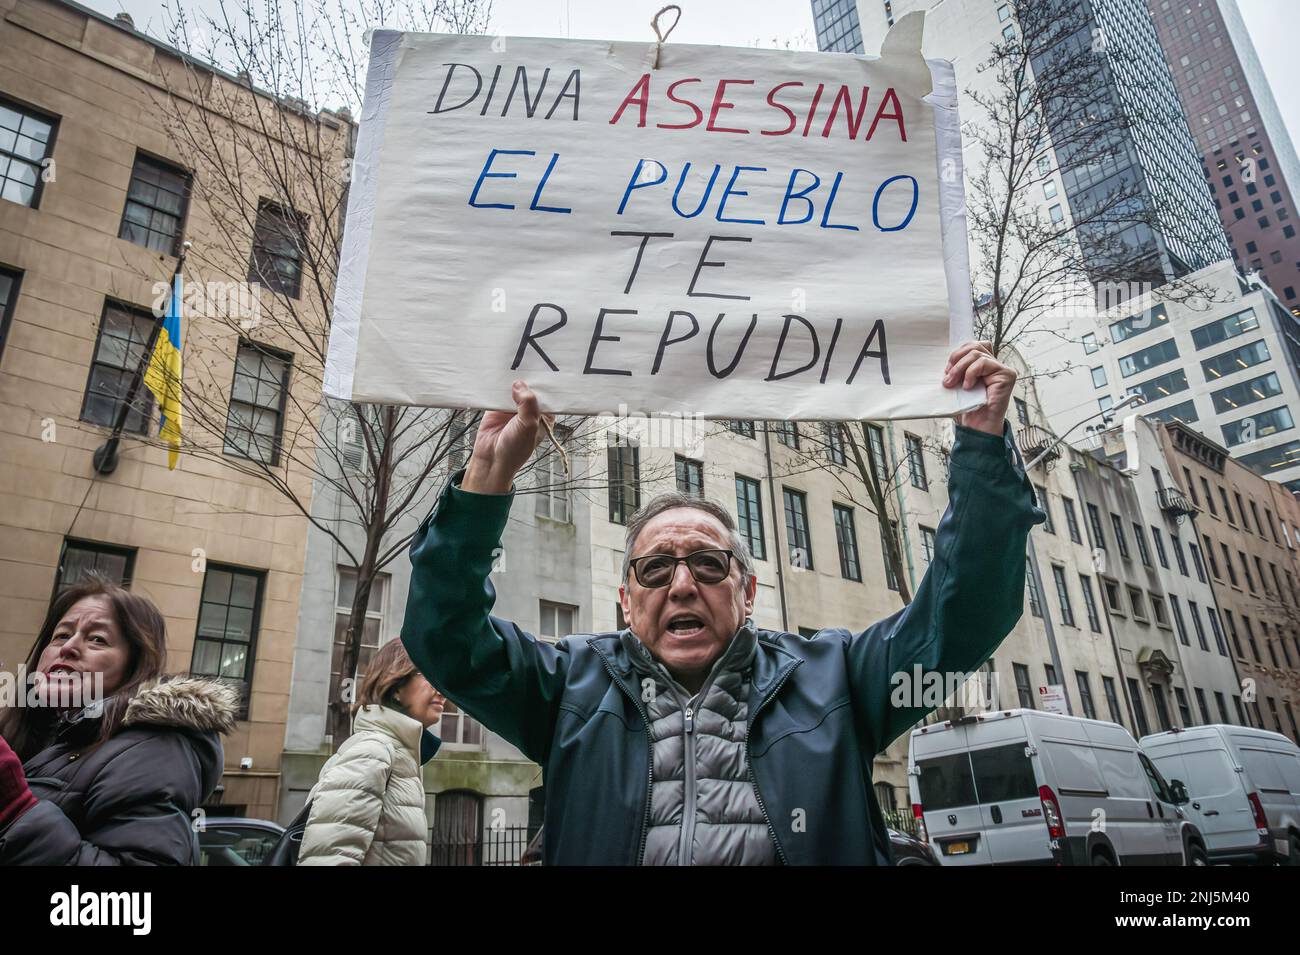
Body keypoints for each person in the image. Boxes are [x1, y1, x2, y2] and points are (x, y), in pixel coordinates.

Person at [401, 341, 1043, 865]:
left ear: (748, 590)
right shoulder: (569, 687)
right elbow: (447, 639)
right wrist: (485, 479)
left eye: (708, 563)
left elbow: (963, 618)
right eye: (656, 569)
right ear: (627, 601)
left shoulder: (836, 678)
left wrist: (982, 448)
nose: (682, 585)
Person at [0, 578, 237, 865]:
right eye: (61, 635)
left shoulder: (152, 750)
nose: (69, 647)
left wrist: (17, 809)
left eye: (97, 639)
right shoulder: (32, 735)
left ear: (134, 666)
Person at [298, 638, 444, 865]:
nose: (441, 690)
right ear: (396, 686)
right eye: (428, 676)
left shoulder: (401, 756)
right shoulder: (372, 752)